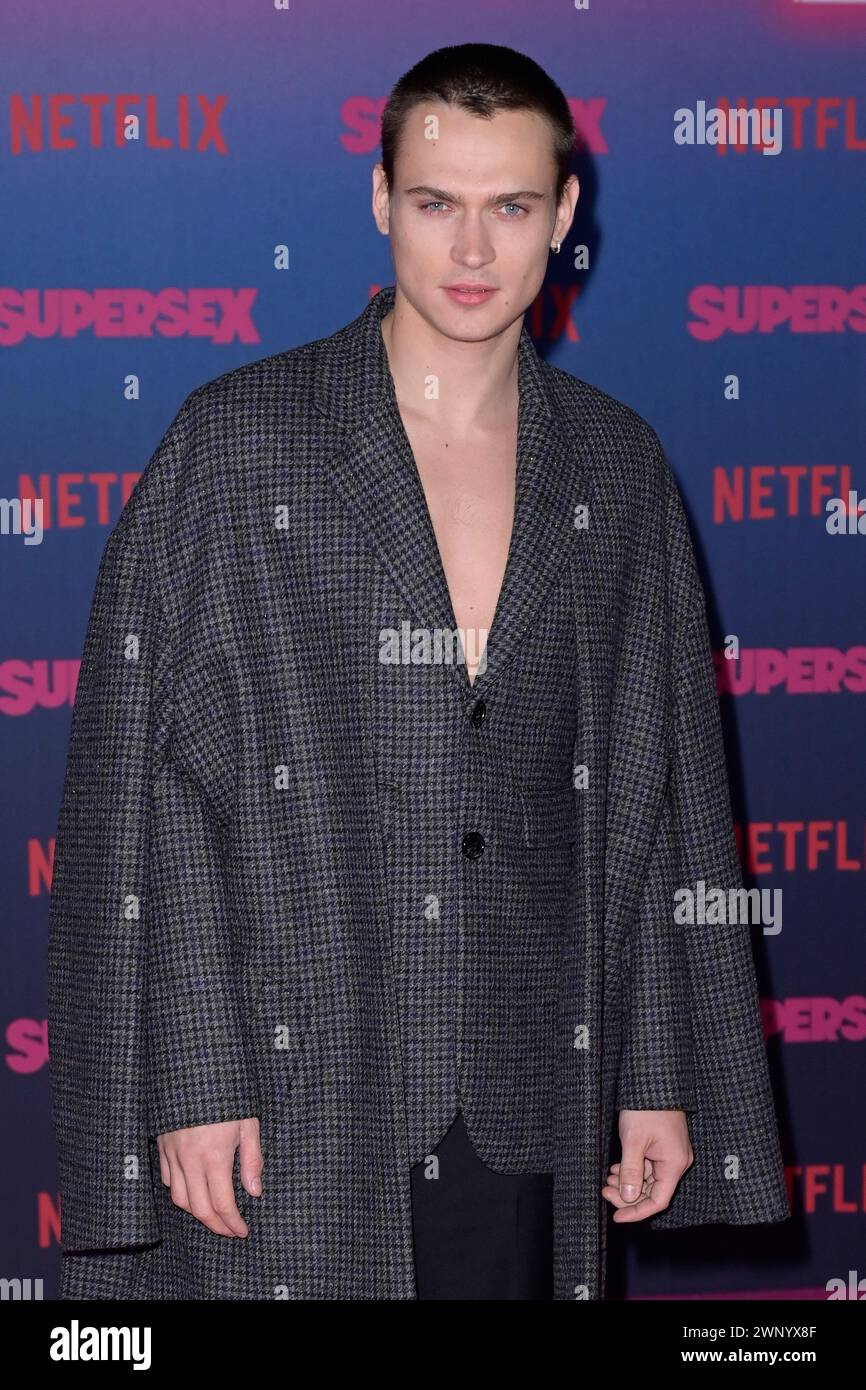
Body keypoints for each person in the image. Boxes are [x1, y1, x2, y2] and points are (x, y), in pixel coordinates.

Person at [47, 42, 790, 1303]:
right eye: (437, 203)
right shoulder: (239, 443)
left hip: (530, 1092)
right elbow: (143, 791)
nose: (469, 251)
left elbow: (657, 802)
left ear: (562, 218)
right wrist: (195, 1076)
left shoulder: (614, 468)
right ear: (380, 201)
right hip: (286, 1094)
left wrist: (655, 1072)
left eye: (508, 208)